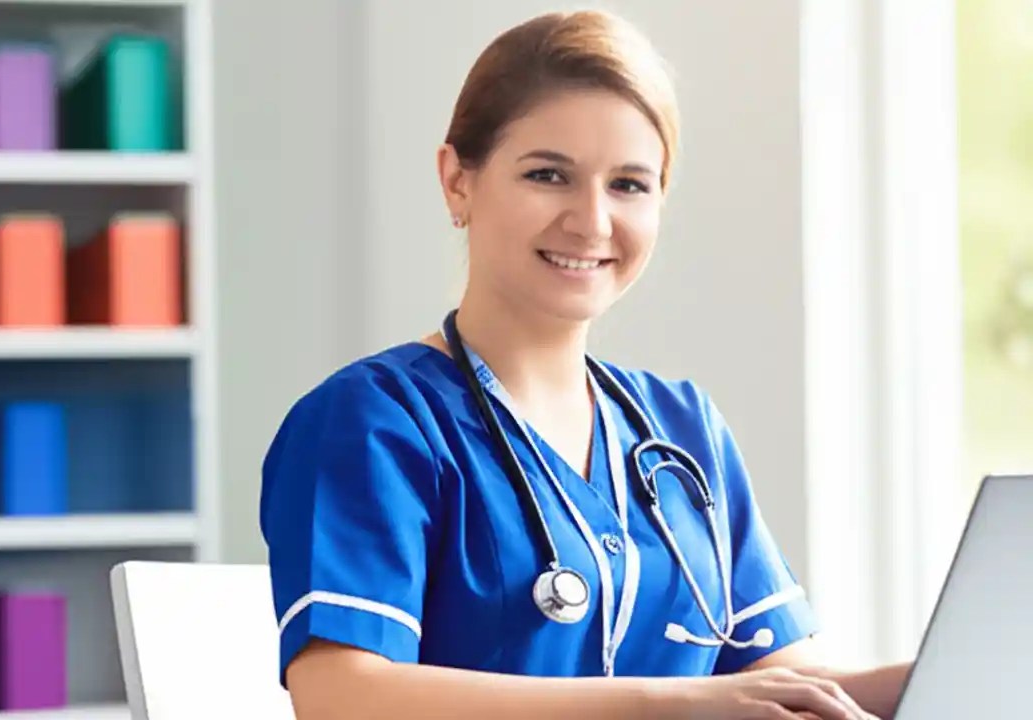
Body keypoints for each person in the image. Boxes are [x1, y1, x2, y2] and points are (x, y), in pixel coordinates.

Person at [259, 9, 911, 719]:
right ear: (458, 182)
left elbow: (791, 691)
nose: (592, 221)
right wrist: (671, 705)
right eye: (548, 175)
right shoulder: (375, 423)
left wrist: (969, 662)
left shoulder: (681, 430)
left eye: (629, 185)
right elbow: (342, 696)